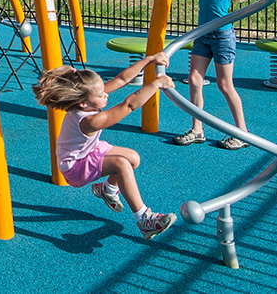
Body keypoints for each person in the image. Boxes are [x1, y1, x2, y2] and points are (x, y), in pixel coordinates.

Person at [32, 53, 177, 239]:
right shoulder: (90, 120)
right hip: (75, 166)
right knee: (121, 164)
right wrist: (156, 84)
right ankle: (144, 219)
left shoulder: (89, 99)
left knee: (133, 158)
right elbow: (129, 106)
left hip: (89, 150)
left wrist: (149, 60)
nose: (105, 95)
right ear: (83, 103)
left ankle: (107, 189)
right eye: (101, 95)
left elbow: (122, 79)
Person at [140, 0, 248, 150]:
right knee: (194, 80)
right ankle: (197, 129)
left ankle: (242, 132)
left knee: (225, 85)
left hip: (221, 36)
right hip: (202, 34)